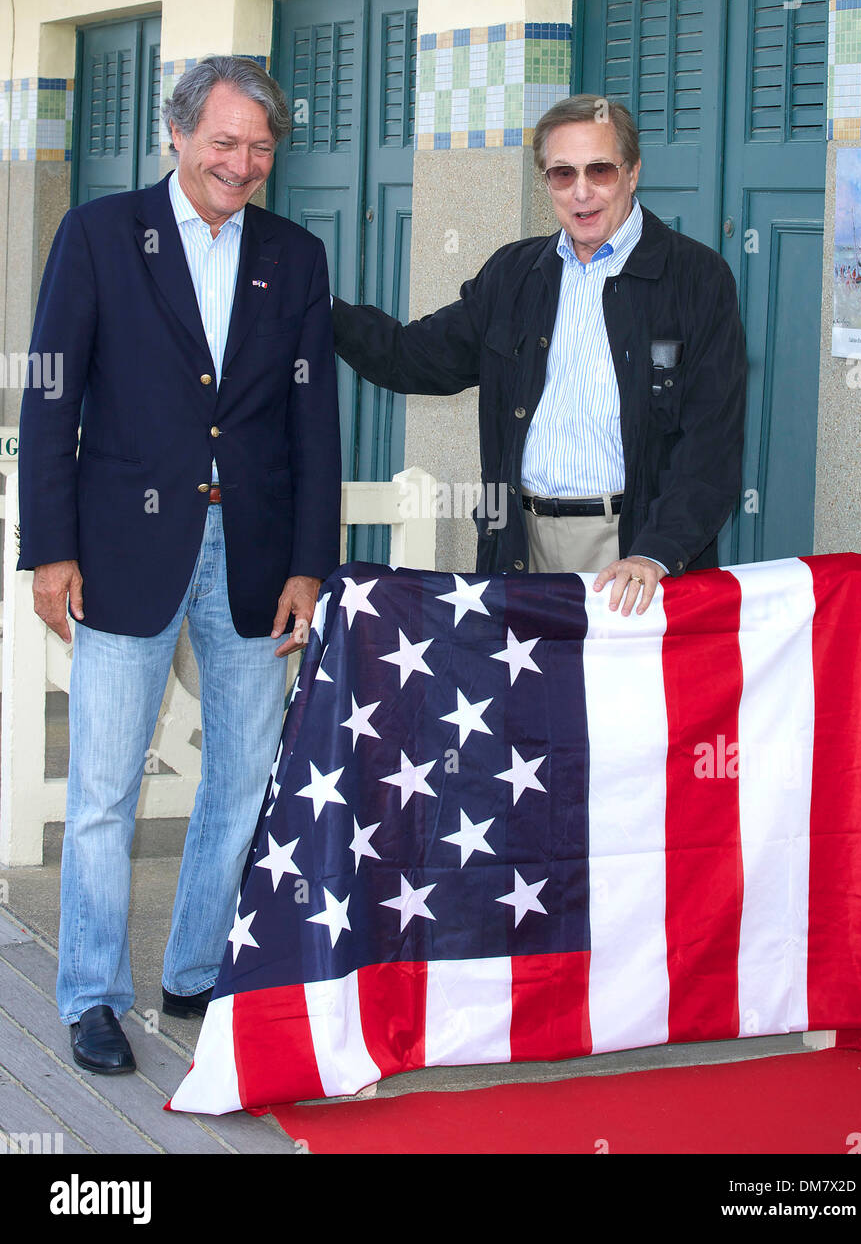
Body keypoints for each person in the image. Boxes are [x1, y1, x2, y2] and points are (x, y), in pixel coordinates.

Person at [17, 56, 341, 1073]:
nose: (241, 164)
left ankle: (198, 970)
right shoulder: (101, 234)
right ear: (178, 135)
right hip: (121, 548)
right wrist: (50, 548)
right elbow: (50, 392)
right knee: (106, 788)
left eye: (260, 148)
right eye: (224, 141)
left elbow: (311, 419)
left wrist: (307, 561)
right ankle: (92, 996)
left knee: (244, 779)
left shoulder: (294, 254)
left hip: (252, 556)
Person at [331, 94, 746, 612]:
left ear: (633, 173)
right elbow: (412, 355)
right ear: (545, 181)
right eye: (562, 174)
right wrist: (319, 309)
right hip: (518, 547)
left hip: (633, 557)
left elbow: (712, 443)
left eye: (601, 170)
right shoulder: (513, 275)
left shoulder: (696, 279)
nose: (582, 191)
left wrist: (656, 552)